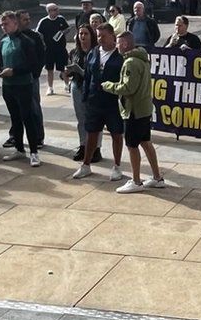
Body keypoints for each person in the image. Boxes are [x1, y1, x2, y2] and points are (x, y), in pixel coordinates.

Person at [101, 31, 165, 193]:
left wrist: (108, 85)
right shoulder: (142, 58)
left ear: (124, 44)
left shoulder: (130, 63)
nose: (116, 46)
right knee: (145, 142)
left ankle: (136, 181)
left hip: (133, 111)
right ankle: (157, 177)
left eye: (118, 43)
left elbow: (128, 88)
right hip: (144, 109)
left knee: (132, 145)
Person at [72, 23, 125, 181]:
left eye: (103, 36)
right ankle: (86, 165)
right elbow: (88, 75)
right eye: (98, 36)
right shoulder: (94, 52)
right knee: (91, 132)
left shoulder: (119, 55)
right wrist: (86, 96)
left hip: (112, 101)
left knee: (116, 133)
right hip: (94, 100)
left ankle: (117, 166)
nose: (100, 39)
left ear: (112, 36)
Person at [0, 11, 42, 166]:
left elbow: (33, 64)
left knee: (27, 117)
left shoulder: (26, 41)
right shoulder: (3, 41)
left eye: (6, 24)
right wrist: (0, 70)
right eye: (2, 24)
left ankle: (34, 152)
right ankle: (19, 148)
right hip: (8, 86)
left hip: (23, 85)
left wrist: (14, 71)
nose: (4, 27)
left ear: (15, 24)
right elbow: (1, 61)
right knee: (15, 118)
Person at [65, 25, 102, 163]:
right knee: (81, 119)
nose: (83, 36)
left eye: (86, 33)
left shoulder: (96, 52)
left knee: (94, 119)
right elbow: (68, 71)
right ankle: (83, 145)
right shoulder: (74, 52)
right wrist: (67, 73)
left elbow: (96, 74)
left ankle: (96, 148)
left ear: (91, 36)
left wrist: (80, 70)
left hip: (92, 88)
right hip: (77, 86)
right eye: (80, 33)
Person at [36, 3, 70, 95]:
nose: (57, 11)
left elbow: (68, 29)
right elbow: (38, 33)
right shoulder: (43, 21)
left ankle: (67, 85)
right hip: (49, 49)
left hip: (61, 48)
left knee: (64, 68)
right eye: (54, 9)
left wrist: (62, 32)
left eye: (57, 9)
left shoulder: (61, 19)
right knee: (49, 69)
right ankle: (50, 87)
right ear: (49, 11)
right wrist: (43, 42)